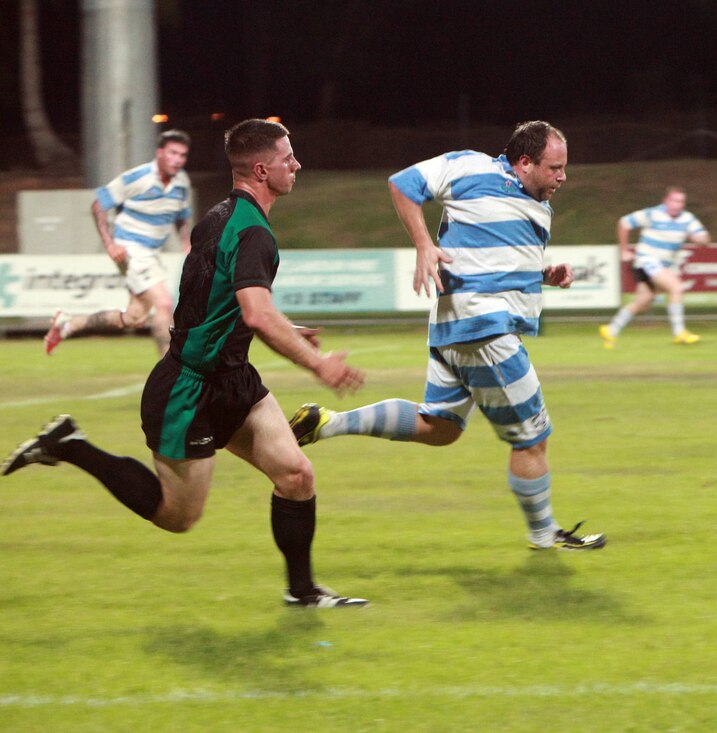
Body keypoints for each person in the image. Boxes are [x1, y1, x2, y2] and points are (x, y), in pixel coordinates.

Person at [4, 119, 368, 607]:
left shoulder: (218, 216)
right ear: (262, 170)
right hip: (188, 389)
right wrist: (318, 365)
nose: (296, 165)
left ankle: (302, 592)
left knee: (296, 475)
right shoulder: (253, 233)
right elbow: (256, 313)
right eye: (288, 158)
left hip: (233, 380)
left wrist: (286, 328)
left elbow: (214, 302)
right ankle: (71, 445)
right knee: (178, 517)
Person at [289, 121, 605, 552]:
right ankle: (543, 534)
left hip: (453, 330)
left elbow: (495, 261)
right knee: (532, 438)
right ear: (525, 162)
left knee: (439, 426)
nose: (563, 177)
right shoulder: (470, 167)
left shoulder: (535, 204)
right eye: (555, 168)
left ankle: (327, 423)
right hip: (485, 332)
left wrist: (543, 274)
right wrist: (423, 243)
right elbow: (403, 184)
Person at [45, 129, 195, 358]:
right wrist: (110, 245)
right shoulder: (138, 177)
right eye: (172, 153)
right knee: (164, 303)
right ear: (159, 153)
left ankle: (68, 324)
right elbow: (98, 206)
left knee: (135, 316)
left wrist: (186, 242)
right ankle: (170, 371)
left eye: (182, 155)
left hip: (151, 253)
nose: (177, 159)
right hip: (130, 248)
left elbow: (181, 216)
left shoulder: (181, 182)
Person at [598, 187, 709, 347]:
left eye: (680, 201)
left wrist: (700, 239)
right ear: (666, 201)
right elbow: (624, 223)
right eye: (674, 200)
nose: (677, 204)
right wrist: (624, 250)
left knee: (643, 302)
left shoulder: (687, 219)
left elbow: (705, 238)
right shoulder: (653, 214)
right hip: (646, 261)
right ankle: (679, 333)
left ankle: (611, 329)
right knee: (676, 287)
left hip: (662, 266)